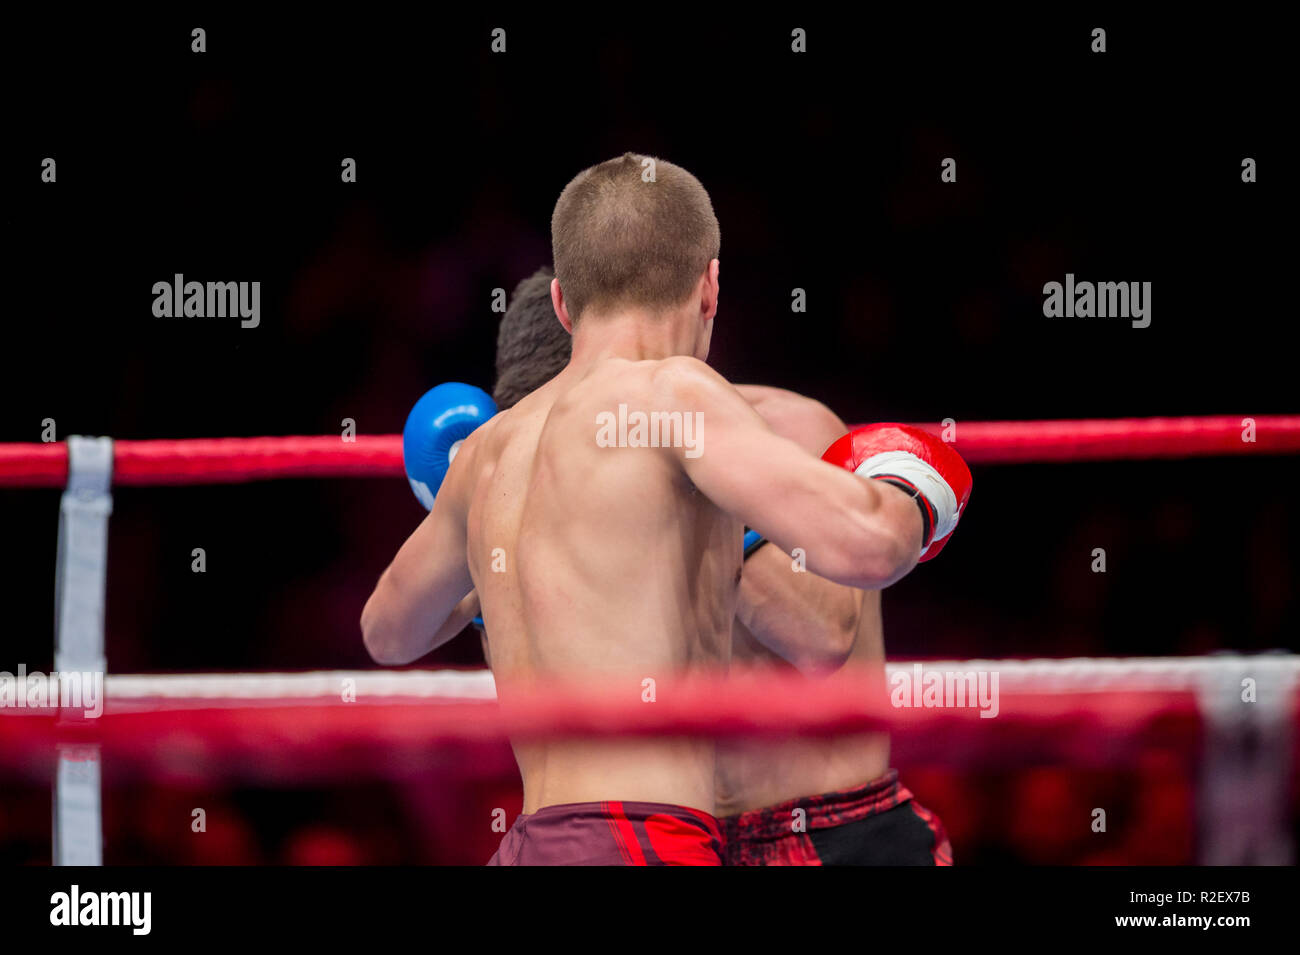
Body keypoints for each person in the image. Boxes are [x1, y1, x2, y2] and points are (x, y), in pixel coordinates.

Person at [362, 153, 968, 865]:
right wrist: (911, 487)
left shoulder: (492, 449)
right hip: (647, 841)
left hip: (531, 841)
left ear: (564, 302)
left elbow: (385, 632)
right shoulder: (676, 395)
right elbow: (869, 545)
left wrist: (499, 562)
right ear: (710, 288)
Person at [484, 266, 958, 865]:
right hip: (668, 841)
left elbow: (823, 635)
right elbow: (397, 632)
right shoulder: (519, 474)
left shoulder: (788, 428)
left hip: (829, 830)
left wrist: (681, 488)